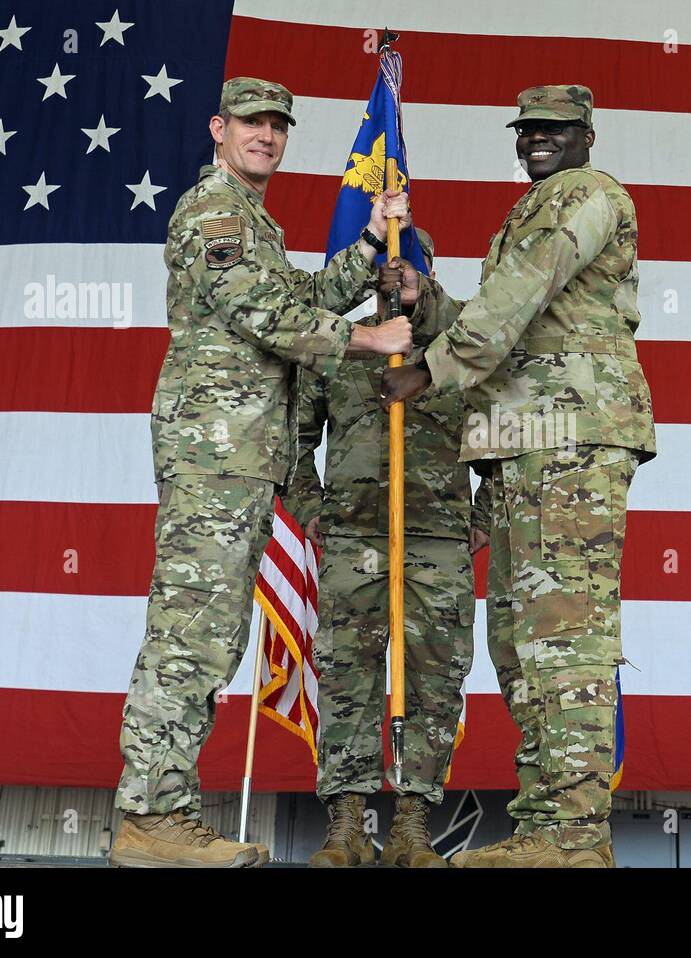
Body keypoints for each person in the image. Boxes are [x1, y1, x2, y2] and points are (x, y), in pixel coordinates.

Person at [109, 77, 413, 868]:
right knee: (189, 635)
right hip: (215, 453)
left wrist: (370, 241)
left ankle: (162, 814)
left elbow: (301, 294)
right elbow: (268, 317)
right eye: (252, 122)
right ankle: (150, 815)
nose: (267, 135)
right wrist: (368, 344)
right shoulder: (214, 211)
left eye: (279, 124)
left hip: (240, 457)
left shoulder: (253, 221)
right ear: (219, 128)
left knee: (209, 635)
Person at [380, 85, 655, 868]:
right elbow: (517, 311)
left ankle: (572, 834)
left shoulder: (588, 194)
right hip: (520, 444)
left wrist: (430, 370)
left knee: (565, 636)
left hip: (568, 437)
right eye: (527, 129)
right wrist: (426, 301)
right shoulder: (531, 210)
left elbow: (521, 293)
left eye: (555, 129)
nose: (537, 139)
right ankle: (548, 825)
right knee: (522, 640)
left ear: (587, 136)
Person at [283, 230, 491, 868]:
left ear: (426, 272)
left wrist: (482, 514)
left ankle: (412, 828)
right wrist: (313, 511)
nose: (391, 273)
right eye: (382, 262)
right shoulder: (339, 349)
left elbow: (504, 430)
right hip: (356, 535)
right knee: (349, 675)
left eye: (406, 264)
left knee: (435, 676)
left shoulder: (461, 351)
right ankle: (345, 826)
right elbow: (294, 440)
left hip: (437, 537)